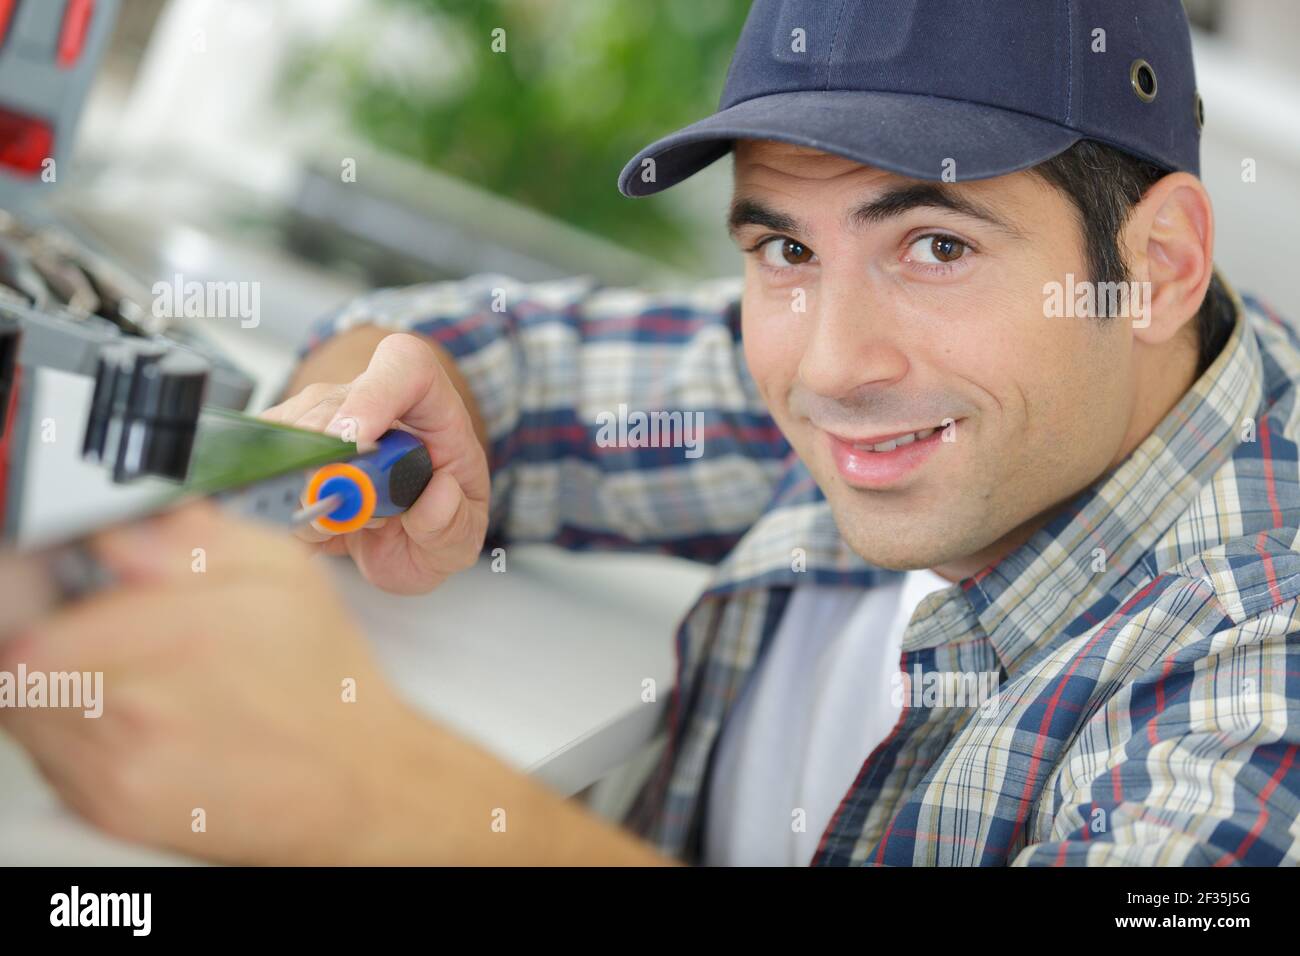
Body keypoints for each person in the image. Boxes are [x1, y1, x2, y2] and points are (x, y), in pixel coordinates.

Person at [3, 0, 1298, 866]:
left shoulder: (1263, 663)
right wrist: (360, 412)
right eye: (783, 246)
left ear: (1162, 264)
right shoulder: (921, 393)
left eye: (937, 247)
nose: (832, 367)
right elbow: (488, 362)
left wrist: (375, 797)